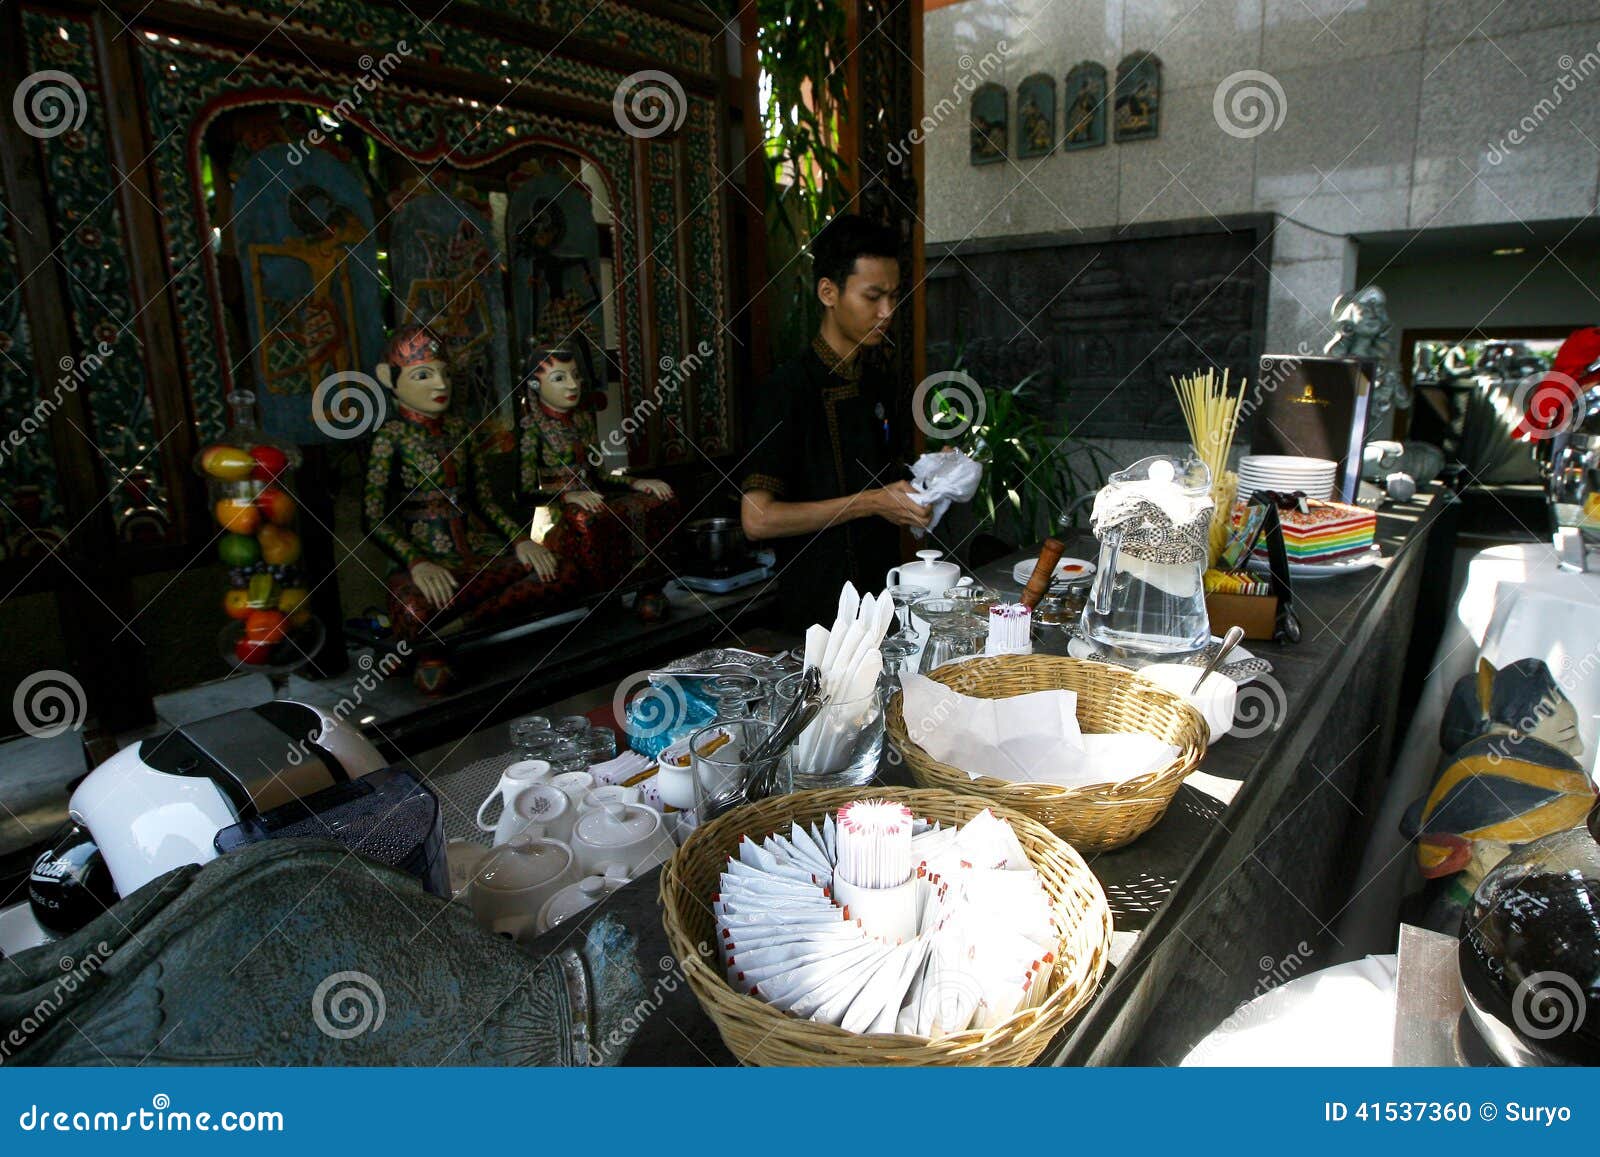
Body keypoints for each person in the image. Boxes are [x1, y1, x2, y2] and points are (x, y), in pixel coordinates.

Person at [739, 214, 930, 630]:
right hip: (814, 613)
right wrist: (870, 502)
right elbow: (758, 519)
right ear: (828, 291)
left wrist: (936, 475)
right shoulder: (787, 389)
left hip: (880, 603)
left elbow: (890, 480)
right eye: (873, 297)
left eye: (894, 297)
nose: (887, 312)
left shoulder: (876, 380)